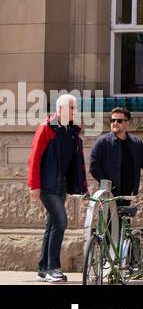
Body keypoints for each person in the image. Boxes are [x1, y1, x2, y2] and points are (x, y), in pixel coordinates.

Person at [26, 93, 88, 283]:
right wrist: (34, 185)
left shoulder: (71, 131)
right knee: (61, 221)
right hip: (46, 185)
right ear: (60, 109)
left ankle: (43, 269)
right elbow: (34, 158)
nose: (74, 112)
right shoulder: (46, 127)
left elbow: (76, 162)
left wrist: (81, 186)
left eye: (75, 108)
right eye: (71, 108)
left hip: (61, 184)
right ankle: (53, 267)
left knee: (51, 225)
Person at [89, 107, 143, 207]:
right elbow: (93, 165)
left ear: (127, 123)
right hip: (109, 191)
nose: (115, 123)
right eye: (112, 120)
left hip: (127, 190)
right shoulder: (102, 142)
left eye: (119, 121)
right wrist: (107, 183)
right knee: (109, 221)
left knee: (125, 220)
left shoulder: (136, 143)